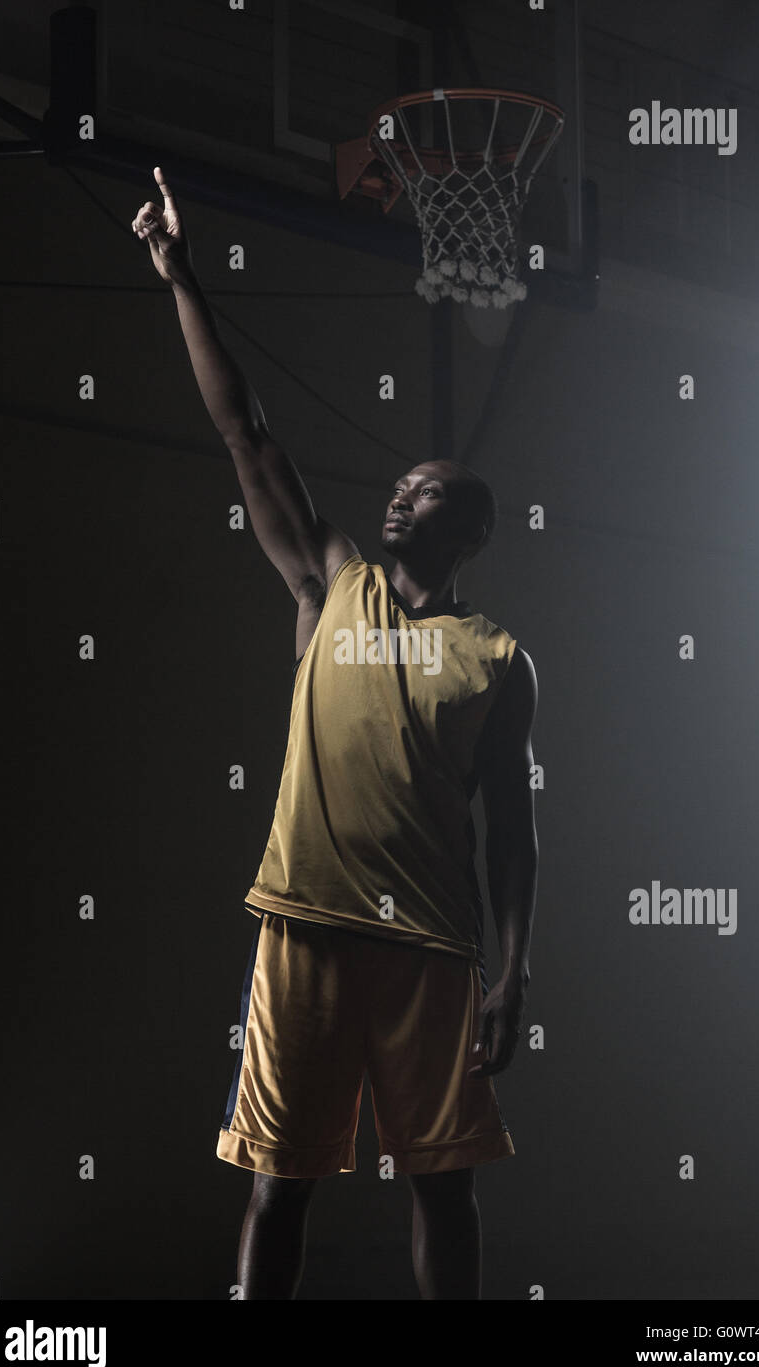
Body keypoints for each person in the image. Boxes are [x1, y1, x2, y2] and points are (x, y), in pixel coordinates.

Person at [133, 166, 539, 1300]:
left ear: (471, 529)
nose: (404, 493)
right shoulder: (329, 581)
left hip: (430, 947)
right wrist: (181, 275)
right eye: (401, 483)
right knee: (279, 1184)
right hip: (303, 927)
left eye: (431, 489)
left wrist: (515, 972)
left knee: (442, 1185)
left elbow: (513, 833)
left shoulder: (497, 658)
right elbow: (245, 434)